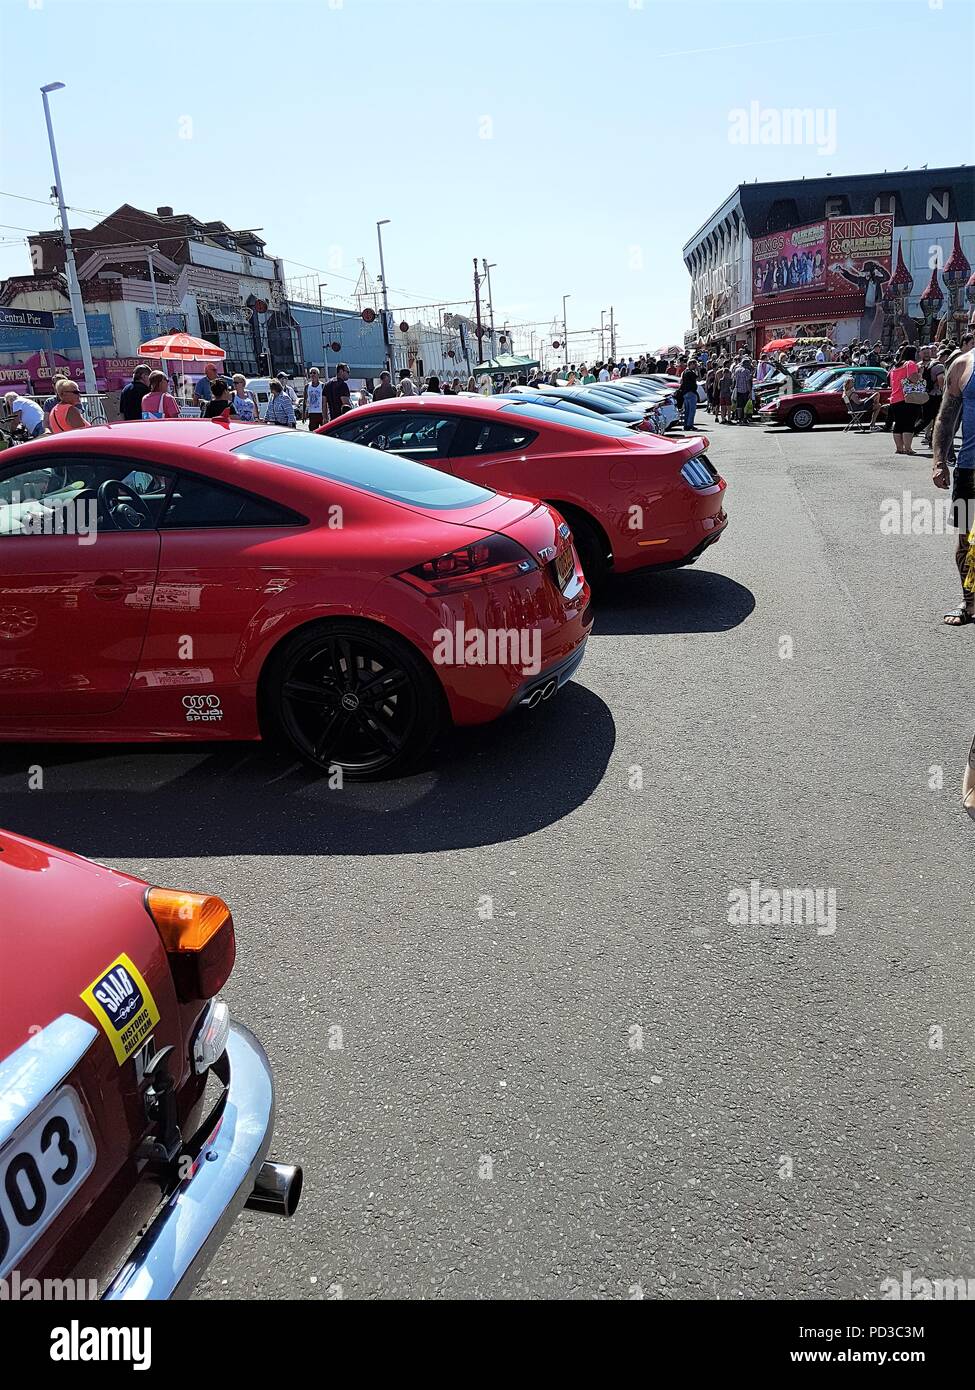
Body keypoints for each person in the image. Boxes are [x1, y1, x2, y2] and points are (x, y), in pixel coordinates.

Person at [933, 343, 975, 625]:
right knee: (966, 538)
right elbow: (946, 417)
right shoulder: (963, 364)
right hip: (970, 467)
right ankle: (970, 601)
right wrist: (938, 460)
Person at [888, 349, 923, 456]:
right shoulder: (911, 363)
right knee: (909, 423)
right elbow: (913, 378)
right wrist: (920, 373)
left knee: (898, 424)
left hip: (894, 398)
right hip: (907, 398)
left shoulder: (895, 367)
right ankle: (908, 448)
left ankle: (899, 448)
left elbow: (891, 383)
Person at [733, 356, 754, 424]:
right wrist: (750, 391)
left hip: (738, 389)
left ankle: (739, 418)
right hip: (745, 390)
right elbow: (748, 382)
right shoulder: (747, 371)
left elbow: (734, 380)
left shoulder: (736, 370)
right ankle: (744, 418)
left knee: (739, 405)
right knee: (745, 405)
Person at [679, 360, 698, 430]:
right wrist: (697, 370)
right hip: (691, 392)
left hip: (685, 393)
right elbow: (699, 378)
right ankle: (690, 425)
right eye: (695, 365)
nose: (696, 366)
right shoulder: (690, 372)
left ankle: (686, 424)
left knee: (687, 410)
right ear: (691, 364)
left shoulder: (684, 372)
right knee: (692, 410)